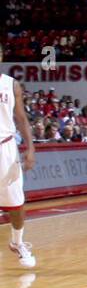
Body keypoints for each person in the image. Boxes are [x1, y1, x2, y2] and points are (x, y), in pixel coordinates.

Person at [0, 53, 38, 268]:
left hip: (6, 148)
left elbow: (21, 118)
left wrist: (31, 148)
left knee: (15, 203)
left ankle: (17, 242)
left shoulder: (11, 85)